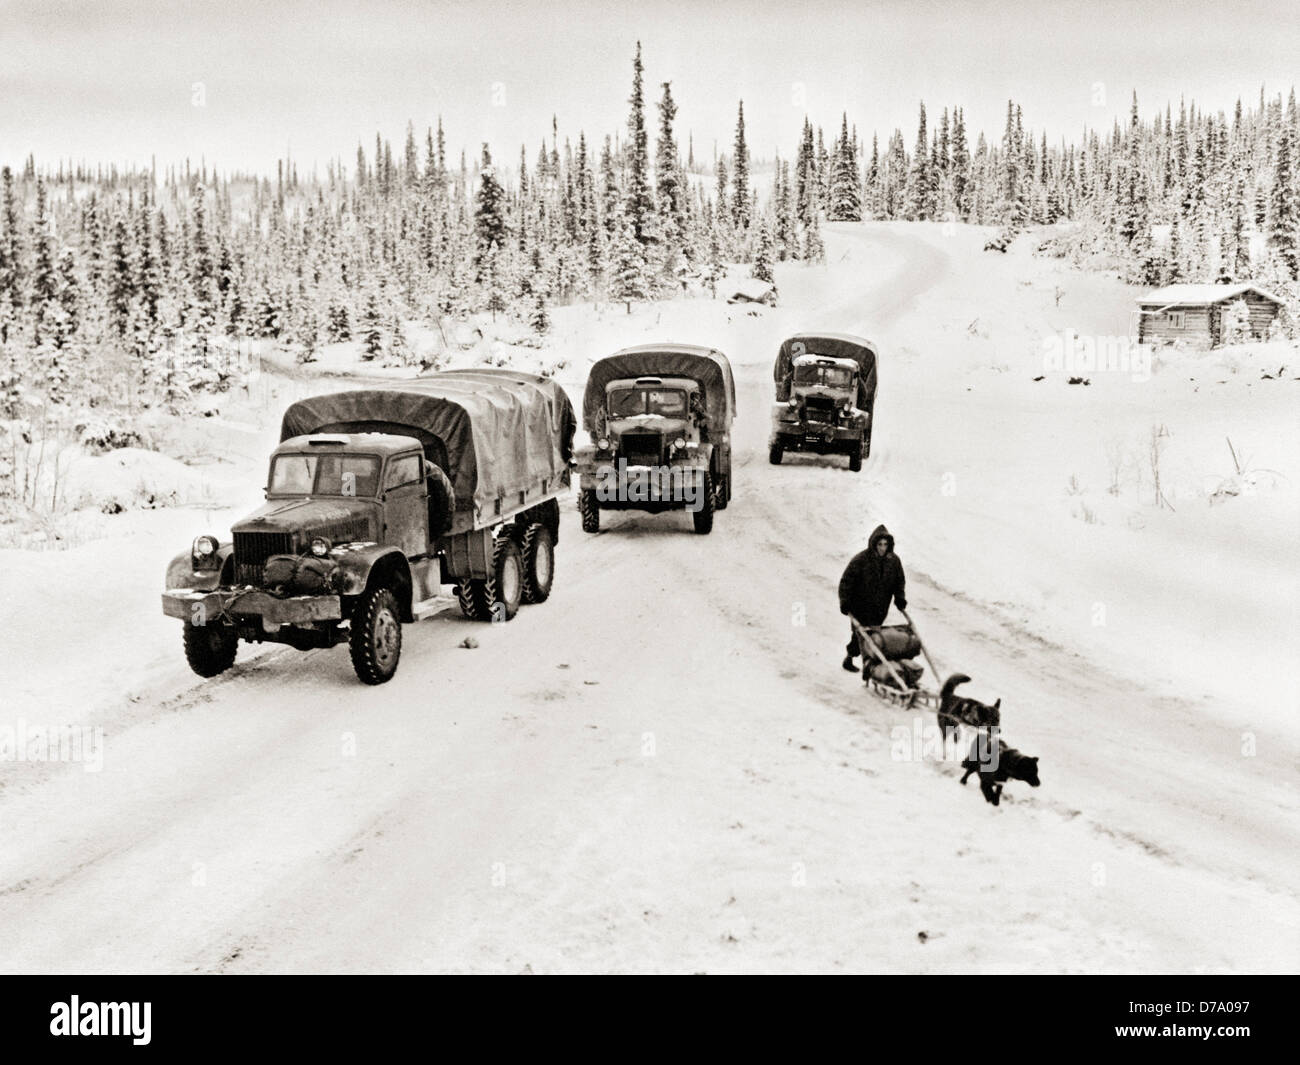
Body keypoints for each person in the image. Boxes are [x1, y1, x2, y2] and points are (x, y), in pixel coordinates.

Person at [838, 524, 907, 672]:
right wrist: (844, 602)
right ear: (873, 544)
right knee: (861, 637)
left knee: (874, 636)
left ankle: (865, 664)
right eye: (880, 544)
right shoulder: (861, 560)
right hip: (860, 607)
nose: (882, 548)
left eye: (885, 544)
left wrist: (900, 598)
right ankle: (861, 665)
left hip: (880, 608)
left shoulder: (894, 561)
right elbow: (846, 582)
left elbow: (899, 581)